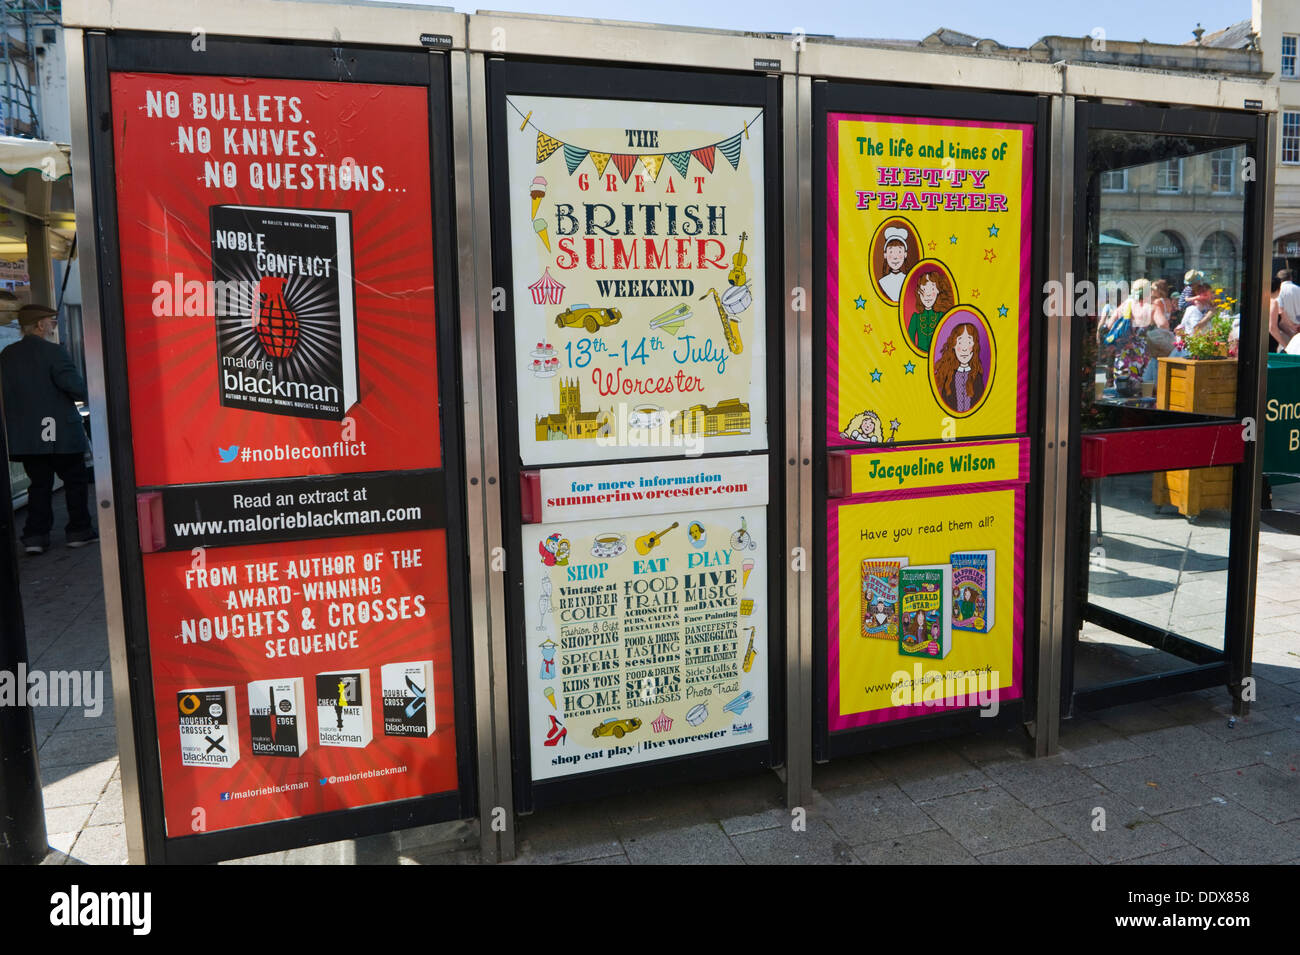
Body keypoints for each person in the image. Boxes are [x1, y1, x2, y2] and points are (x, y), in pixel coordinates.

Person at [1, 304, 96, 554]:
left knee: (39, 483)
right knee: (75, 480)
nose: (54, 325)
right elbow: (75, 387)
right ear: (40, 325)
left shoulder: (7, 355)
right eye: (51, 321)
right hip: (57, 432)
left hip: (28, 435)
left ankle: (35, 536)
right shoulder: (54, 352)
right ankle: (79, 531)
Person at [935, 322, 986, 413]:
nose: (964, 348)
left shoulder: (977, 378)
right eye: (960, 342)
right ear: (953, 345)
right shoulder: (949, 378)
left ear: (975, 346)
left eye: (969, 342)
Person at [907, 270, 946, 351]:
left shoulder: (941, 316)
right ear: (918, 292)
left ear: (937, 291)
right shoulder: (916, 317)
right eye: (924, 290)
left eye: (932, 289)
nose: (927, 295)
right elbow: (910, 343)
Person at [879, 227, 909, 301]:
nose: (895, 257)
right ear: (885, 255)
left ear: (905, 254)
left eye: (899, 252)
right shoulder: (882, 282)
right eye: (891, 252)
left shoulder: (908, 280)